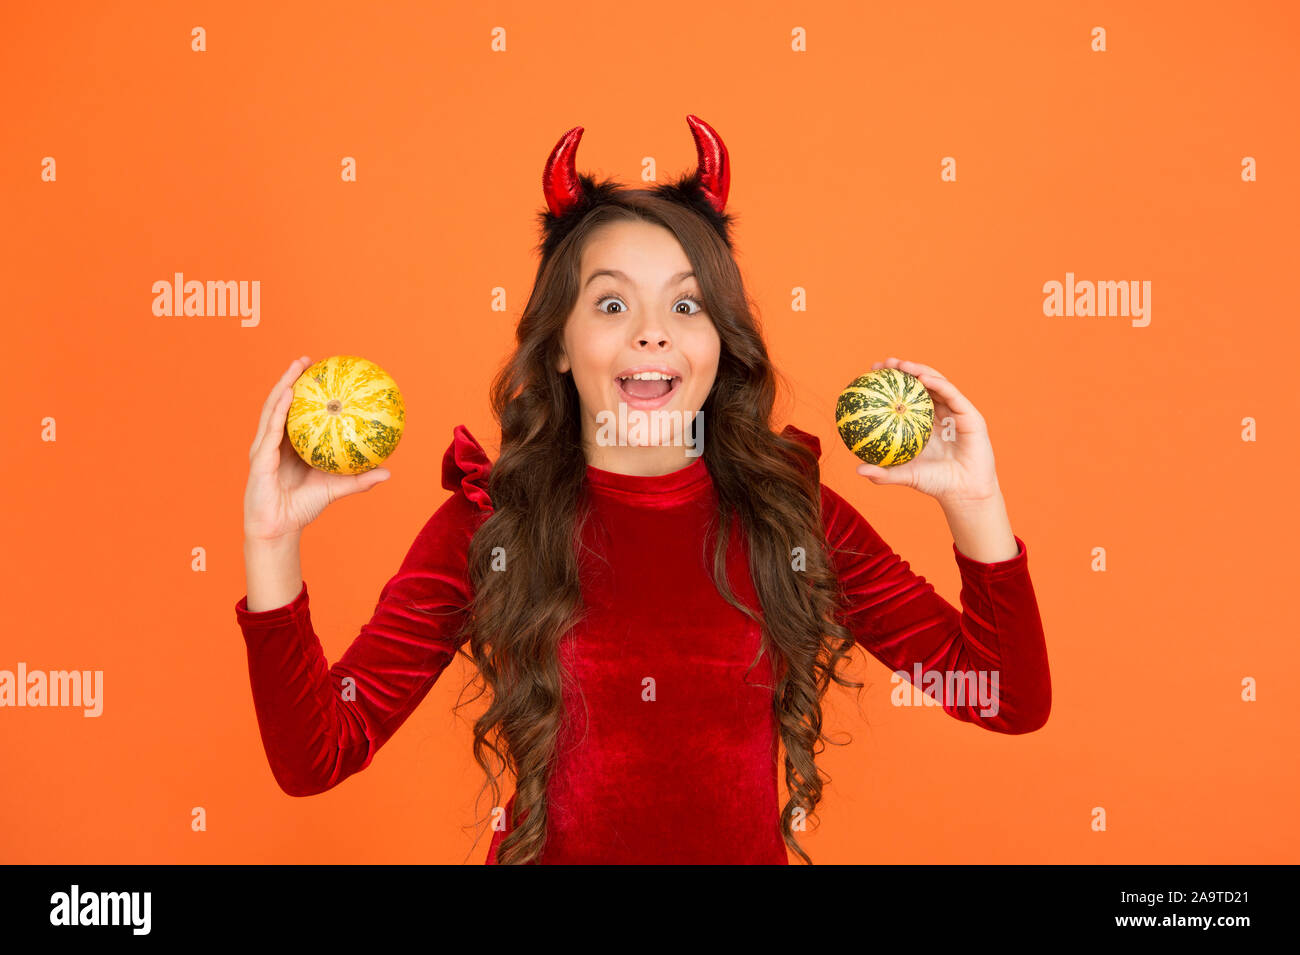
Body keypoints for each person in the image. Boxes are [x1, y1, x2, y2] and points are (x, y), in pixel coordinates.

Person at [235, 116, 1051, 865]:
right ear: (559, 345)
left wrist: (972, 502)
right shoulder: (489, 528)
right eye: (613, 301)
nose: (651, 330)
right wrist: (272, 546)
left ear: (719, 344)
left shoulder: (790, 517)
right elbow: (316, 757)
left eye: (686, 303)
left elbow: (1008, 698)